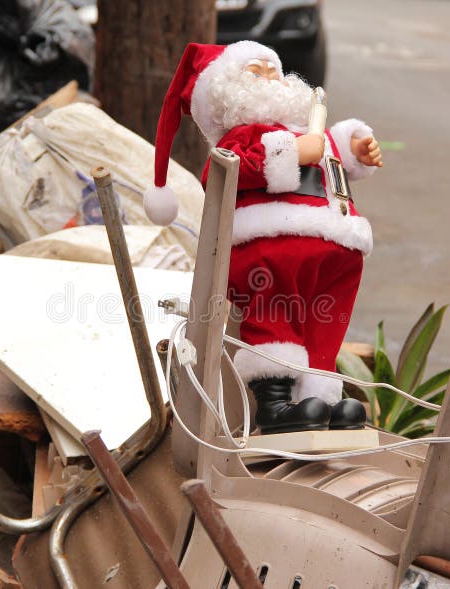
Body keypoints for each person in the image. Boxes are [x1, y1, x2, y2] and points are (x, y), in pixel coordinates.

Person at [146, 41, 381, 434]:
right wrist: (291, 152)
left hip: (335, 245)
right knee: (275, 315)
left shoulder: (307, 130)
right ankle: (275, 406)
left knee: (322, 322)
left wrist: (355, 147)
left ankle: (321, 400)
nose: (272, 80)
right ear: (224, 94)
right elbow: (227, 171)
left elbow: (332, 152)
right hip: (270, 249)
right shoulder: (240, 137)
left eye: (274, 71)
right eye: (257, 73)